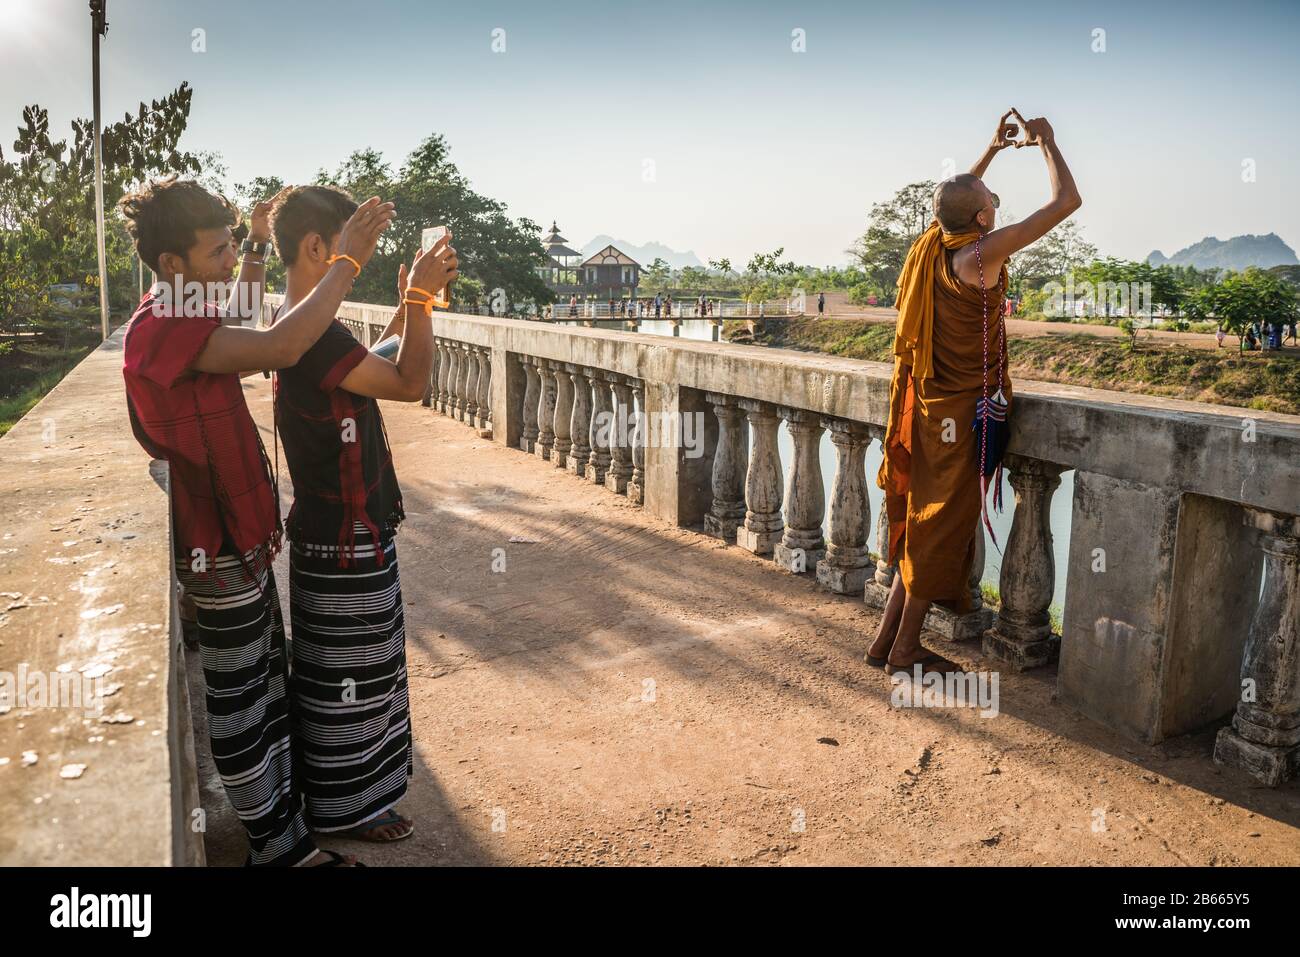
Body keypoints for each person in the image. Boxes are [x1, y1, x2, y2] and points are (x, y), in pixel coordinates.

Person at [120, 176, 395, 866]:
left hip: (238, 542)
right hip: (215, 547)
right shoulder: (163, 327)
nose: (227, 260)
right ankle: (278, 847)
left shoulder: (181, 307)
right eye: (217, 250)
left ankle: (283, 823)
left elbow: (243, 310)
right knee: (242, 700)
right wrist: (348, 262)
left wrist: (257, 245)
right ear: (173, 264)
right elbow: (279, 344)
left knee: (267, 686)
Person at [267, 185, 457, 847]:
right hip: (347, 539)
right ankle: (345, 807)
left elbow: (368, 362)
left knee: (349, 670)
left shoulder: (304, 323)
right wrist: (421, 301)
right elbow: (407, 383)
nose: (362, 255)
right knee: (352, 673)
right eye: (354, 242)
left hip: (336, 533)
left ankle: (347, 796)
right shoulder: (311, 334)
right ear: (318, 247)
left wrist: (409, 305)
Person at [867, 109, 1081, 676]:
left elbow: (953, 196)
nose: (996, 199)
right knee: (940, 525)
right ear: (983, 215)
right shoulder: (980, 254)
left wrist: (990, 150)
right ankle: (908, 650)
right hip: (961, 414)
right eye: (991, 196)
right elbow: (1065, 204)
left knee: (922, 521)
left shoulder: (935, 246)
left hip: (930, 403)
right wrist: (1047, 144)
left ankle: (886, 640)